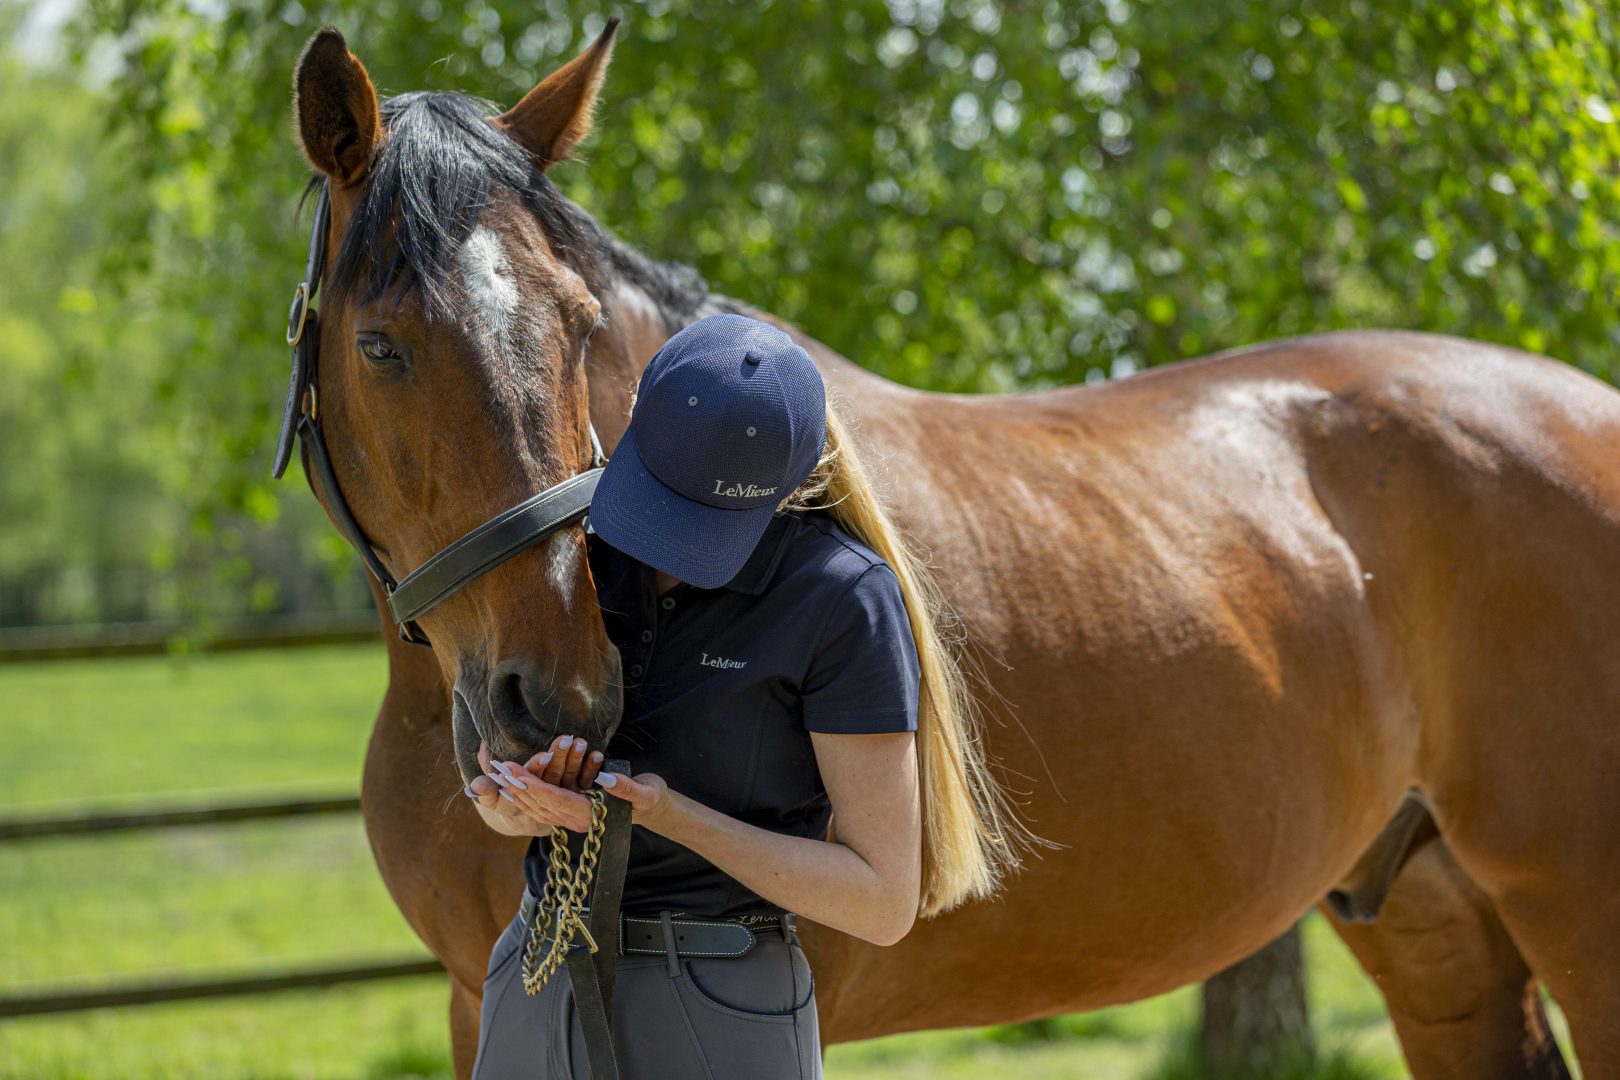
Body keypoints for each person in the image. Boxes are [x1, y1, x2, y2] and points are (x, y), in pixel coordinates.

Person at [463, 313, 1016, 1079]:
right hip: (538, 973)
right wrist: (508, 804)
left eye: (701, 529)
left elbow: (881, 901)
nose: (662, 549)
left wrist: (669, 815)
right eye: (658, 505)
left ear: (779, 490)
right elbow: (503, 780)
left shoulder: (842, 600)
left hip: (718, 1009)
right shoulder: (579, 545)